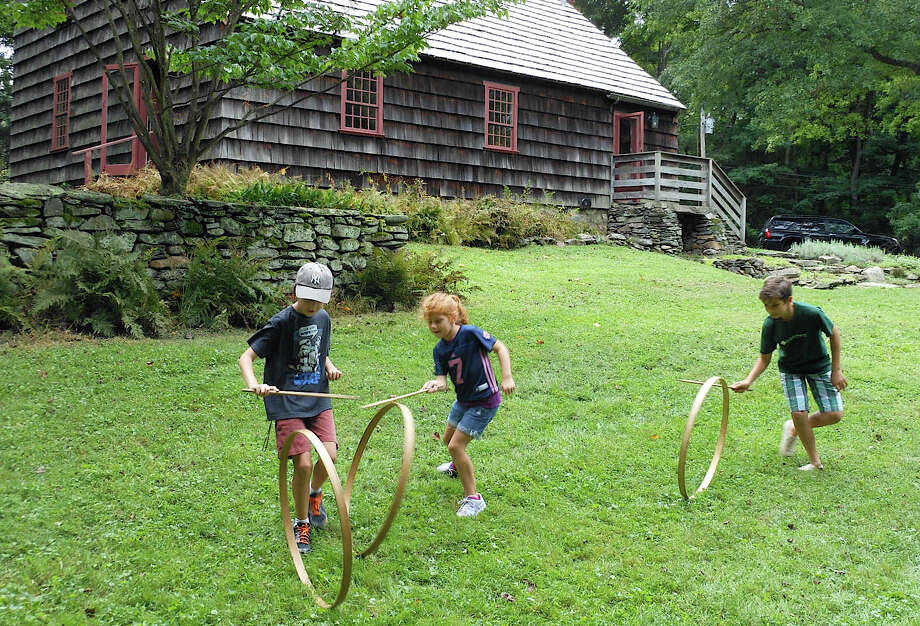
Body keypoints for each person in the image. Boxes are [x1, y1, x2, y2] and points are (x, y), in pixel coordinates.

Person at [239, 262, 343, 553]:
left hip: (318, 398)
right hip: (286, 402)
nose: (313, 305)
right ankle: (301, 523)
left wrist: (330, 366)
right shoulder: (281, 322)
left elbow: (320, 350)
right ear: (296, 291)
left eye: (319, 300)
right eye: (308, 298)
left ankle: (313, 495)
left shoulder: (323, 318)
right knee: (304, 463)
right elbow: (246, 358)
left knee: (330, 455)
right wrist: (255, 384)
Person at [730, 276, 848, 470]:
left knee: (834, 415)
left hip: (819, 366)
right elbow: (764, 358)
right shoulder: (770, 324)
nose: (770, 310)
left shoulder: (811, 313)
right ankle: (815, 462)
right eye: (766, 306)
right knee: (799, 413)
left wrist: (836, 370)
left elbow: (834, 334)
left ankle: (794, 428)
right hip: (791, 370)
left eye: (775, 305)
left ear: (789, 301)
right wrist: (748, 381)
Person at [420, 292, 515, 517]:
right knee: (448, 440)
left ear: (452, 318)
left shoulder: (471, 334)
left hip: (485, 401)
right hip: (463, 400)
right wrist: (434, 384)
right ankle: (457, 466)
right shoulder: (440, 350)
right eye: (430, 322)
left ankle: (474, 499)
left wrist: (507, 377)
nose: (433, 326)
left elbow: (500, 348)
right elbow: (443, 383)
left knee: (455, 446)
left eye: (438, 321)